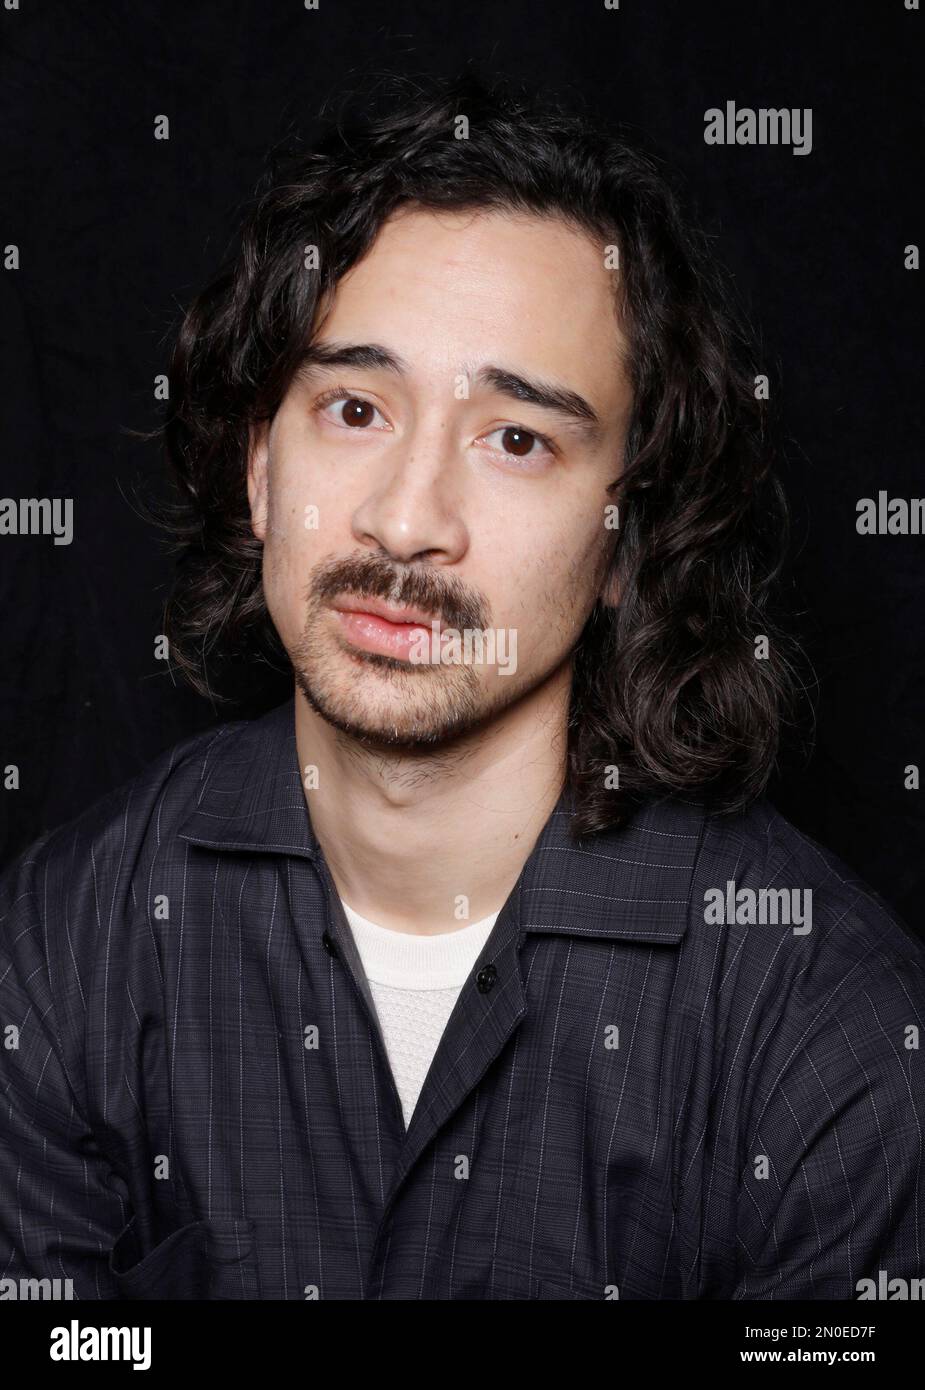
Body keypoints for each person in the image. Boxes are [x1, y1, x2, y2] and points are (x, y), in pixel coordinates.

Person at [1, 73, 922, 1301]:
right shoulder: (69, 941)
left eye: (516, 437)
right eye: (354, 407)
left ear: (625, 537)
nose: (404, 519)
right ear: (261, 468)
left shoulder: (824, 1027)